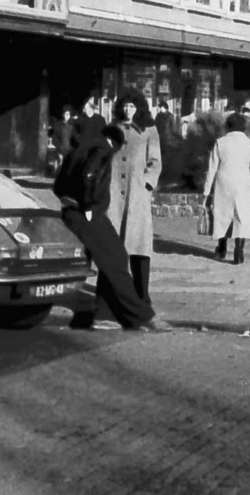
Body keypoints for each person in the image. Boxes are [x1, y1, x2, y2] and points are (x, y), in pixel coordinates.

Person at [51, 115, 161, 331]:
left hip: (71, 210)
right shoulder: (102, 149)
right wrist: (90, 205)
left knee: (111, 258)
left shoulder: (79, 150)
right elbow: (90, 176)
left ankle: (103, 314)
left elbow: (58, 185)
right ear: (117, 143)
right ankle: (140, 315)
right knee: (116, 258)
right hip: (88, 213)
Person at [105, 90, 163, 303]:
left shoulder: (149, 131)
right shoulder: (112, 130)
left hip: (137, 194)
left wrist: (147, 183)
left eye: (132, 106)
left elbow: (155, 161)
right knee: (113, 246)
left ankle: (142, 294)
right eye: (125, 106)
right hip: (113, 197)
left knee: (139, 243)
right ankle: (114, 293)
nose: (128, 110)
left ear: (139, 108)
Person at [203, 112, 250, 263]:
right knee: (241, 216)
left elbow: (212, 168)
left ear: (228, 126)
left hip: (224, 182)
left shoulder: (220, 143)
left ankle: (222, 247)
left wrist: (207, 190)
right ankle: (239, 249)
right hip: (243, 182)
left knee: (223, 215)